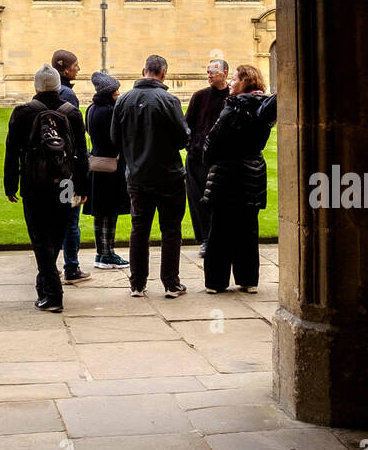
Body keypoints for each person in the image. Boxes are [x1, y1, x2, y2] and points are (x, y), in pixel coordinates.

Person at [4, 64, 89, 311]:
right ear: (57, 85)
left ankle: (52, 294)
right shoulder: (72, 113)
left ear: (36, 86)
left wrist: (11, 185)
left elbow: (12, 153)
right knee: (56, 235)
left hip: (34, 184)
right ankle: (45, 284)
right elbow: (81, 155)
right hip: (65, 183)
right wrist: (82, 187)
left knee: (40, 238)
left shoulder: (22, 113)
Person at [110, 54, 190, 298]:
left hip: (137, 176)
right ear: (163, 73)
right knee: (171, 230)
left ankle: (137, 283)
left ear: (143, 70)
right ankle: (171, 283)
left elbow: (115, 138)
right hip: (169, 177)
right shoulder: (169, 100)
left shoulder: (123, 101)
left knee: (139, 228)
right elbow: (182, 139)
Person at [201, 64, 277, 294]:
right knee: (248, 229)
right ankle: (248, 280)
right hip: (253, 171)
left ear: (244, 82)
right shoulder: (263, 108)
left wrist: (209, 157)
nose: (231, 83)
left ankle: (216, 282)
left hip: (228, 173)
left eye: (234, 79)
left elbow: (212, 141)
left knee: (220, 229)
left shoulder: (234, 108)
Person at [51, 48, 91, 283]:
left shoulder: (46, 92)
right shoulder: (68, 96)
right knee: (70, 219)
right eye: (75, 65)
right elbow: (75, 140)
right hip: (68, 173)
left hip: (50, 171)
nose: (78, 69)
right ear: (64, 68)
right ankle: (72, 268)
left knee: (53, 219)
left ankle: (50, 266)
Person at [184, 58, 230, 257]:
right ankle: (204, 239)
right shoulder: (199, 96)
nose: (209, 75)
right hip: (197, 158)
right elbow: (187, 125)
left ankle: (219, 238)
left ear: (225, 73)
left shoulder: (232, 97)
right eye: (208, 71)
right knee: (198, 201)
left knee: (219, 202)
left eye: (214, 71)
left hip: (221, 160)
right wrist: (192, 145)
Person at [84, 71, 130, 269]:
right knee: (110, 211)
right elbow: (117, 137)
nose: (118, 93)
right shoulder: (111, 111)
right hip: (111, 165)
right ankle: (107, 254)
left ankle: (101, 253)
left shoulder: (91, 109)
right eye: (115, 90)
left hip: (96, 164)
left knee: (100, 212)